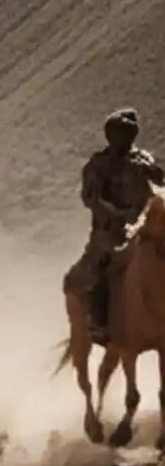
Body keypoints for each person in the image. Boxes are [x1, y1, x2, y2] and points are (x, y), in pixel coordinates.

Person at [69, 108, 164, 344]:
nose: (124, 139)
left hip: (143, 224)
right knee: (101, 265)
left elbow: (159, 183)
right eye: (120, 134)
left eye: (128, 134)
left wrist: (157, 176)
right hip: (111, 229)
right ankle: (98, 320)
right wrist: (117, 213)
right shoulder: (99, 164)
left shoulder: (143, 159)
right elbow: (91, 197)